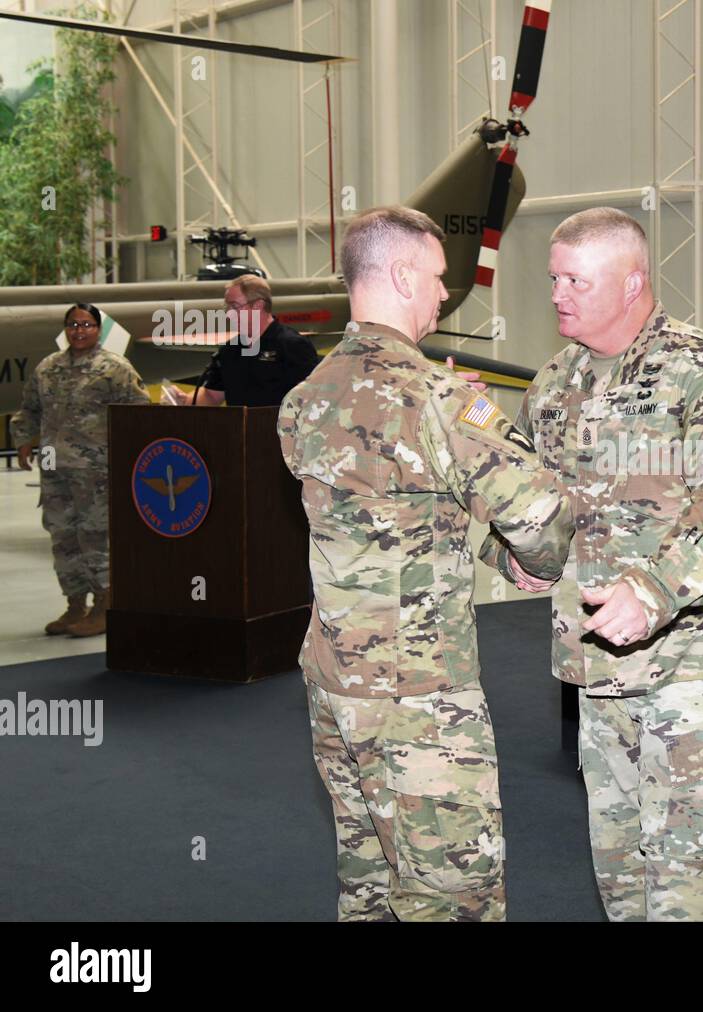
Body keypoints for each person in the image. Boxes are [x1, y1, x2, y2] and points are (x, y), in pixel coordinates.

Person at [278, 206, 572, 922]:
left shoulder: (304, 399)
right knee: (453, 895)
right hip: (420, 700)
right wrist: (526, 560)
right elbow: (542, 516)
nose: (444, 294)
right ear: (404, 274)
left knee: (370, 883)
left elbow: (386, 520)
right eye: (439, 278)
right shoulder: (438, 396)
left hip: (335, 684)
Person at [480, 207, 703, 921]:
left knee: (685, 880)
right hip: (598, 669)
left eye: (576, 280)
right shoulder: (552, 384)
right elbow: (532, 500)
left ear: (633, 281)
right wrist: (511, 554)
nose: (556, 295)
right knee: (621, 875)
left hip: (691, 663)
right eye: (553, 279)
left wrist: (655, 588)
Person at [11, 303, 150, 637]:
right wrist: (22, 440)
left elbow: (139, 412)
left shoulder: (114, 368)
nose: (79, 330)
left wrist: (127, 455)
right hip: (54, 468)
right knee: (62, 537)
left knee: (95, 537)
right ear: (65, 329)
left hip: (96, 472)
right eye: (73, 324)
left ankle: (104, 605)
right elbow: (29, 409)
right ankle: (75, 604)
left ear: (97, 329)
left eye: (86, 325)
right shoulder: (48, 367)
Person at [192, 275, 318, 406]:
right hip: (238, 426)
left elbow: (313, 399)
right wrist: (183, 401)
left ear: (258, 305)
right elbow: (211, 395)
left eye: (234, 307)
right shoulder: (229, 350)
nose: (229, 314)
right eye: (227, 308)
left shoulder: (293, 346)